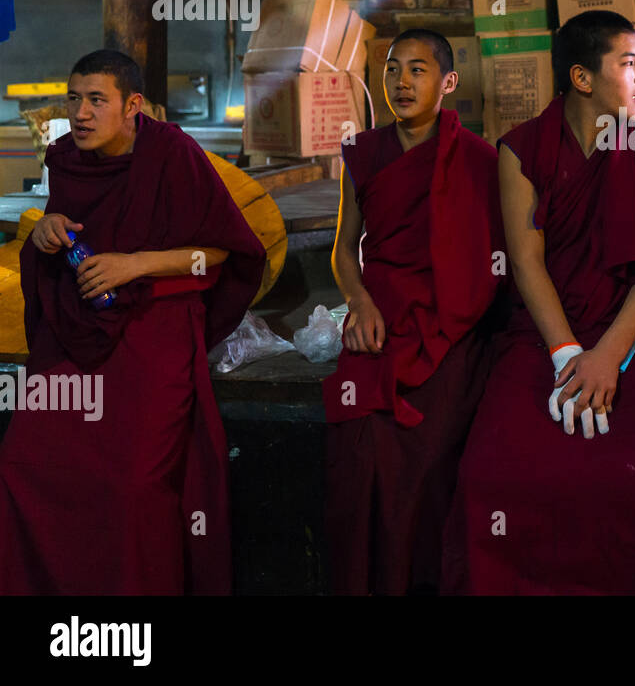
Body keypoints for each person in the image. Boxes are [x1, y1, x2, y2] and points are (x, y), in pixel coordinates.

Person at [441, 10, 635, 595]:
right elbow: (526, 263)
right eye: (630, 64)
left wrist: (607, 357)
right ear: (582, 78)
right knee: (494, 473)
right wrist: (564, 352)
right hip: (548, 330)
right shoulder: (523, 149)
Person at [0, 49, 265, 594]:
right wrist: (48, 229)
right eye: (75, 99)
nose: (81, 114)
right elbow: (68, 228)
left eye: (97, 100)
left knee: (133, 486)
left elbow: (224, 249)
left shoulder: (174, 154)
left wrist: (136, 263)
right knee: (25, 463)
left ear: (132, 106)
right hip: (80, 330)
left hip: (154, 325)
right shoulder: (65, 158)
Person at [323, 29, 505, 595]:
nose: (402, 82)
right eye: (393, 70)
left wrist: (458, 318)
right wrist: (359, 301)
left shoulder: (479, 161)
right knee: (356, 463)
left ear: (447, 82)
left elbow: (492, 264)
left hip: (451, 325)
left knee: (430, 467)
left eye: (418, 70)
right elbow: (343, 248)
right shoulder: (366, 153)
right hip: (377, 319)